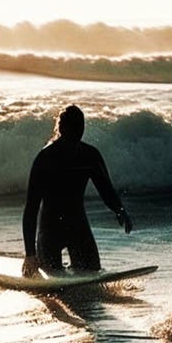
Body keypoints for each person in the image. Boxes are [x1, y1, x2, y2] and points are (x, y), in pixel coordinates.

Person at [22, 105, 133, 276]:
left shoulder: (90, 155)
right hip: (50, 229)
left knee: (92, 274)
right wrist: (30, 255)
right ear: (62, 128)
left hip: (77, 226)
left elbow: (106, 189)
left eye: (80, 126)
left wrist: (119, 210)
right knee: (53, 285)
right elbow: (31, 209)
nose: (77, 131)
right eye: (73, 127)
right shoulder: (45, 158)